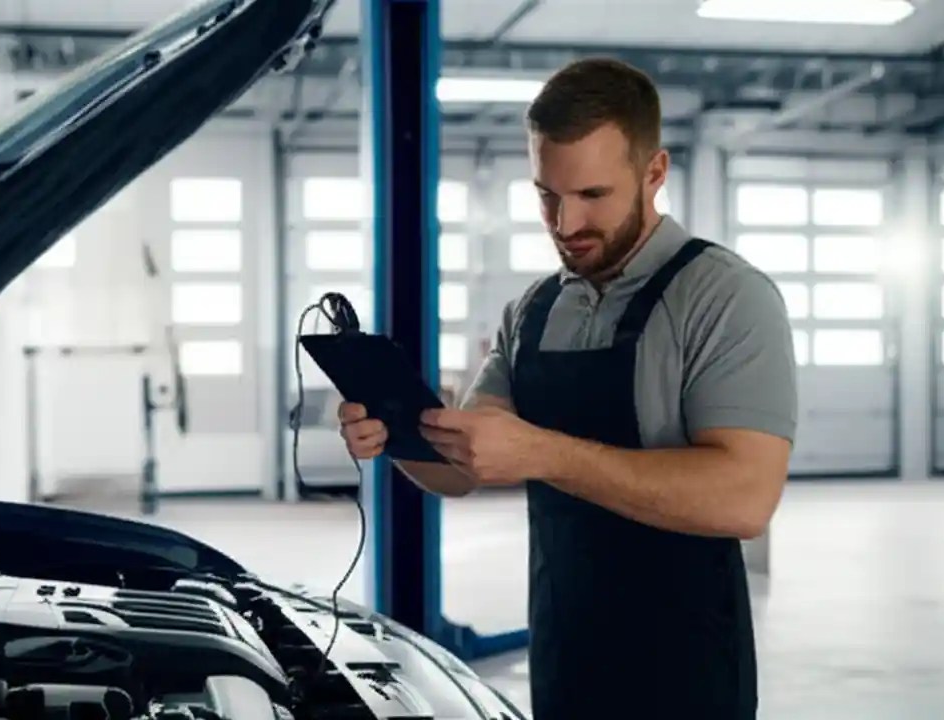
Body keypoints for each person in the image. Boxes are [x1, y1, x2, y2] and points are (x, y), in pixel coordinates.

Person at [339, 57, 796, 720]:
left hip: (684, 675)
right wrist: (395, 435)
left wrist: (546, 454)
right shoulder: (534, 309)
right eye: (546, 195)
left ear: (655, 174)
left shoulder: (726, 297)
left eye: (593, 196)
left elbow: (745, 499)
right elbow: (461, 465)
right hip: (565, 661)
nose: (564, 222)